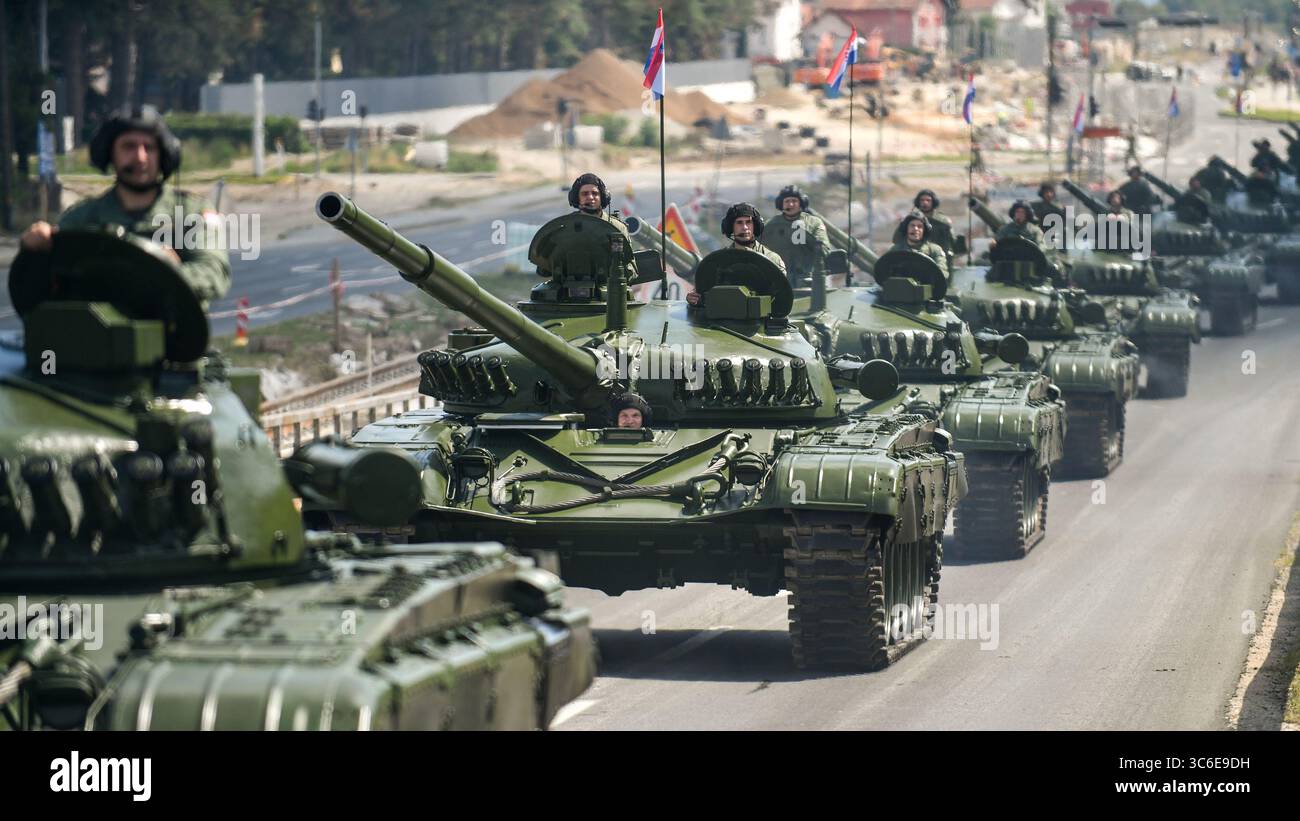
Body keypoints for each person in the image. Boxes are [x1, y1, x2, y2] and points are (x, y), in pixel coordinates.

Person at [19, 104, 231, 304]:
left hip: (172, 336)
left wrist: (165, 273)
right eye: (129, 146)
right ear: (111, 153)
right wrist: (35, 251)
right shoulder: (84, 218)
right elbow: (42, 285)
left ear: (164, 155)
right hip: (98, 337)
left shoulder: (190, 214)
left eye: (149, 148)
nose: (140, 157)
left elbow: (213, 274)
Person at [686, 203, 786, 305]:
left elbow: (781, 298)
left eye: (748, 222)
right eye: (739, 223)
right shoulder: (719, 261)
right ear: (731, 227)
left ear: (755, 225)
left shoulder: (772, 260)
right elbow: (704, 294)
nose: (745, 227)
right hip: (725, 318)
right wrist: (693, 298)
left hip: (760, 320)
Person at [762, 184, 830, 288]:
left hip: (807, 281)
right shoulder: (770, 226)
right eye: (787, 201)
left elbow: (824, 249)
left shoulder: (814, 223)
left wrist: (806, 235)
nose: (791, 204)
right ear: (781, 204)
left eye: (794, 201)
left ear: (801, 203)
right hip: (778, 281)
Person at [892, 189, 954, 262]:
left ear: (933, 202)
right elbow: (897, 239)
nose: (925, 203)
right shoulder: (910, 219)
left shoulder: (942, 221)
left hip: (937, 254)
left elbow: (951, 241)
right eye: (922, 200)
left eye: (928, 200)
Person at [890, 210, 949, 278]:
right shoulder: (896, 250)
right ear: (906, 229)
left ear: (924, 230)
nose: (916, 229)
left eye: (920, 226)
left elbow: (942, 273)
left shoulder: (934, 250)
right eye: (912, 225)